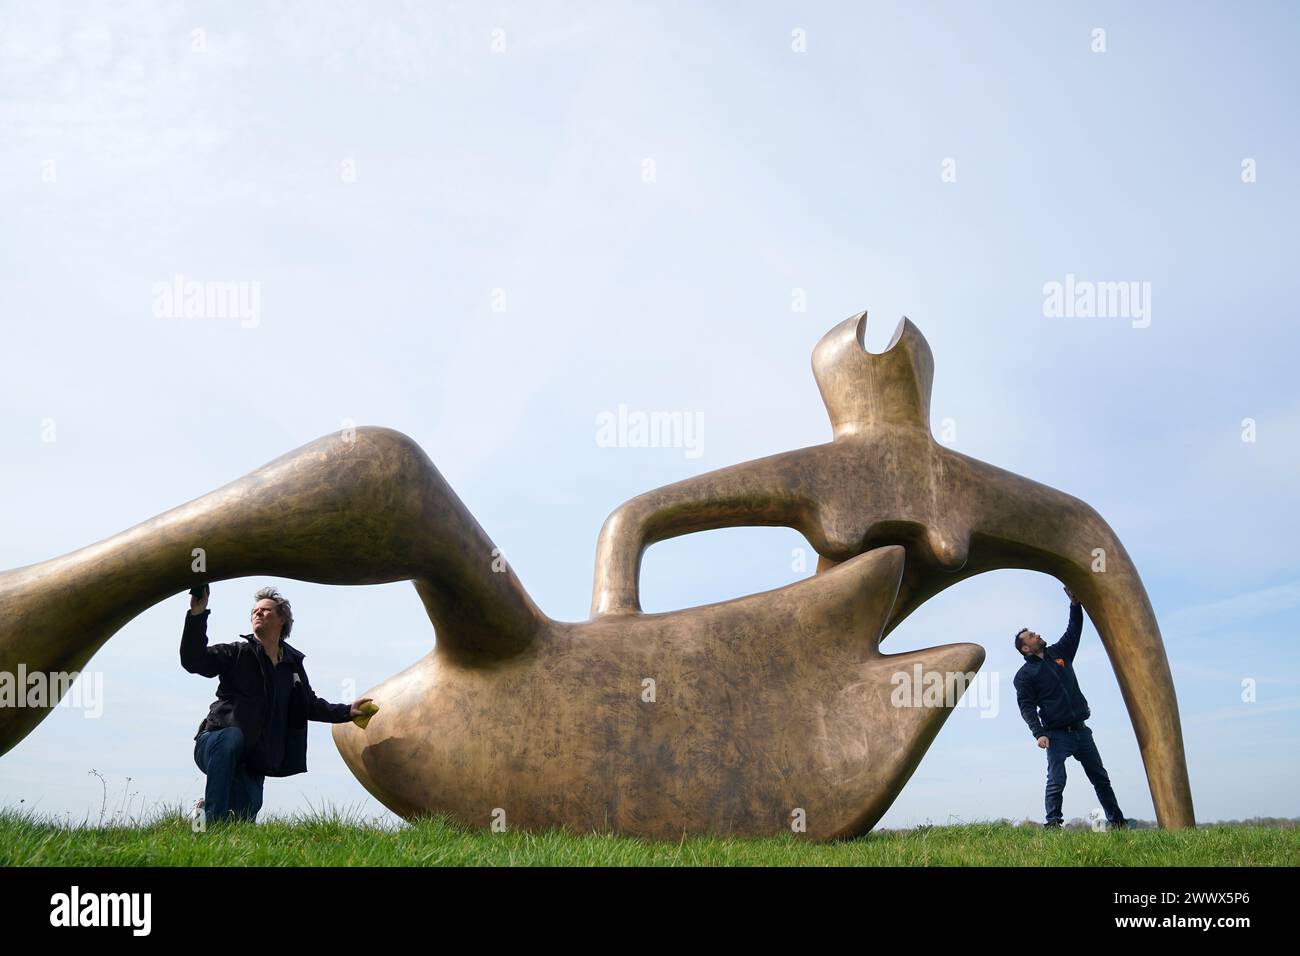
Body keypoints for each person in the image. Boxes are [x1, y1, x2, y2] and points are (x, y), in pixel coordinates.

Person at [181, 584, 372, 825]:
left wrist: (347, 711)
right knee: (231, 739)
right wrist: (197, 614)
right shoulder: (237, 653)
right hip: (215, 742)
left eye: (266, 610)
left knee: (243, 818)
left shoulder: (292, 665)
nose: (258, 613)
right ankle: (212, 821)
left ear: (282, 620)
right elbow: (193, 660)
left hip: (253, 758)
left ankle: (202, 812)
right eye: (254, 611)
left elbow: (309, 705)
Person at [1013, 585, 1129, 830]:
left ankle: (1117, 823)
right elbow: (1026, 707)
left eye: (1035, 632)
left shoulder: (1060, 653)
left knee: (1100, 778)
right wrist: (1039, 733)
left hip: (1081, 731)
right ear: (1025, 648)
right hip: (1055, 734)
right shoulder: (1024, 676)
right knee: (1056, 780)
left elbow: (1073, 630)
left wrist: (1075, 605)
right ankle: (1053, 824)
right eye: (1032, 635)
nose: (1037, 635)